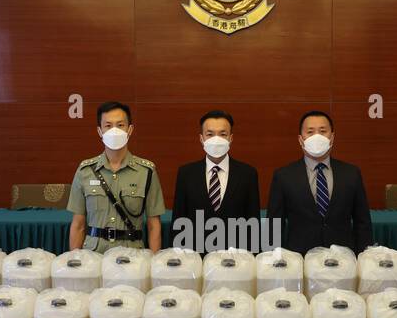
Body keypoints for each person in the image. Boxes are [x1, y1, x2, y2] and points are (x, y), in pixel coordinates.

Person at [266, 110, 373, 254]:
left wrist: (364, 257)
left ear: (332, 137)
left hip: (343, 259)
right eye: (310, 132)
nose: (317, 136)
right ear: (300, 139)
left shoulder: (351, 174)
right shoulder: (284, 176)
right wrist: (274, 259)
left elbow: (363, 223)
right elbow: (274, 225)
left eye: (323, 131)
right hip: (300, 259)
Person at [67, 101, 166, 253]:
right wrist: (75, 260)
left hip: (133, 256)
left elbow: (154, 225)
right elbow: (78, 224)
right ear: (100, 131)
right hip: (94, 255)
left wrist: (153, 262)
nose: (114, 131)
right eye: (108, 125)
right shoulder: (85, 171)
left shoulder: (146, 171)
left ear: (130, 129)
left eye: (120, 125)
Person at [171, 110, 261, 251]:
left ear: (231, 138)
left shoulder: (248, 174)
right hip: (196, 259)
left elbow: (253, 223)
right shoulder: (186, 173)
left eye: (223, 134)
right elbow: (178, 221)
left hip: (236, 260)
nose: (216, 139)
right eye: (210, 134)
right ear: (201, 139)